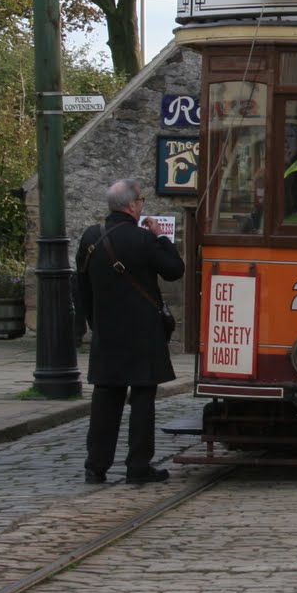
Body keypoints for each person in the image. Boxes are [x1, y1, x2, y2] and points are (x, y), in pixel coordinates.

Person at [74, 179, 184, 485]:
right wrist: (161, 238)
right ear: (133, 205)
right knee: (142, 400)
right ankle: (138, 466)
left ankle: (96, 466)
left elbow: (80, 287)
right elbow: (175, 269)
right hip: (142, 333)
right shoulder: (142, 239)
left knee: (105, 400)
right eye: (141, 202)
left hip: (107, 332)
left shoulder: (91, 238)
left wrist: (93, 323)